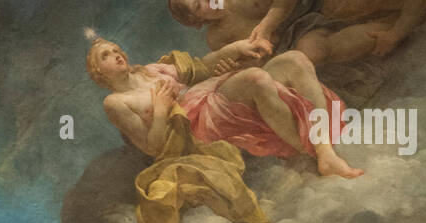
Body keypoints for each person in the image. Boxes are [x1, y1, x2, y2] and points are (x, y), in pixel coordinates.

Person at [90, 34, 361, 180]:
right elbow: (152, 147)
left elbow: (202, 67)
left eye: (116, 50)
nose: (117, 55)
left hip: (211, 93)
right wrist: (161, 110)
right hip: (197, 125)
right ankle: (313, 155)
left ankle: (324, 151)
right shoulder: (115, 102)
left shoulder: (151, 70)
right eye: (106, 55)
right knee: (256, 79)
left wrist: (237, 48)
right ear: (98, 73)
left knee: (296, 60)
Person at [168, 0, 426, 65]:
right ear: (197, 20)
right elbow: (246, 60)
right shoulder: (216, 37)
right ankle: (397, 29)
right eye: (199, 5)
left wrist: (269, 22)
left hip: (312, 8)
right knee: (313, 52)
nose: (209, 1)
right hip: (295, 41)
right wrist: (256, 50)